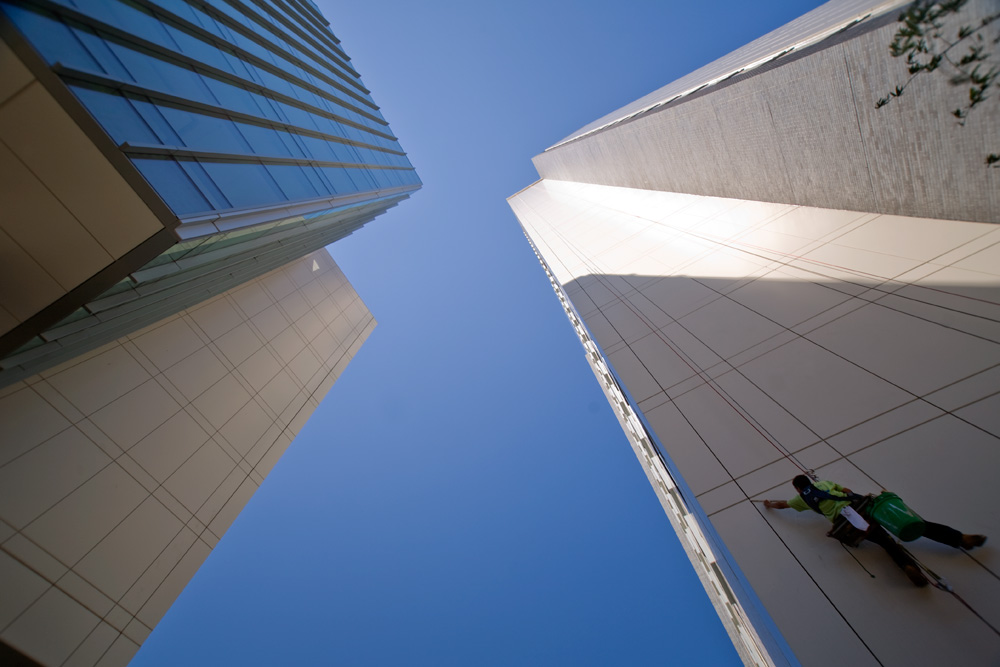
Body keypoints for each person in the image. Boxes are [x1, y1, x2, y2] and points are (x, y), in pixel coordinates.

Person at [763, 475, 987, 587]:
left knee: (887, 542)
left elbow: (783, 505)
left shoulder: (799, 499)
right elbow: (848, 491)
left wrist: (769, 504)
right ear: (810, 480)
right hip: (860, 507)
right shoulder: (824, 484)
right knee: (917, 525)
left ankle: (908, 566)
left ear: (797, 488)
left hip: (847, 522)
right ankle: (961, 539)